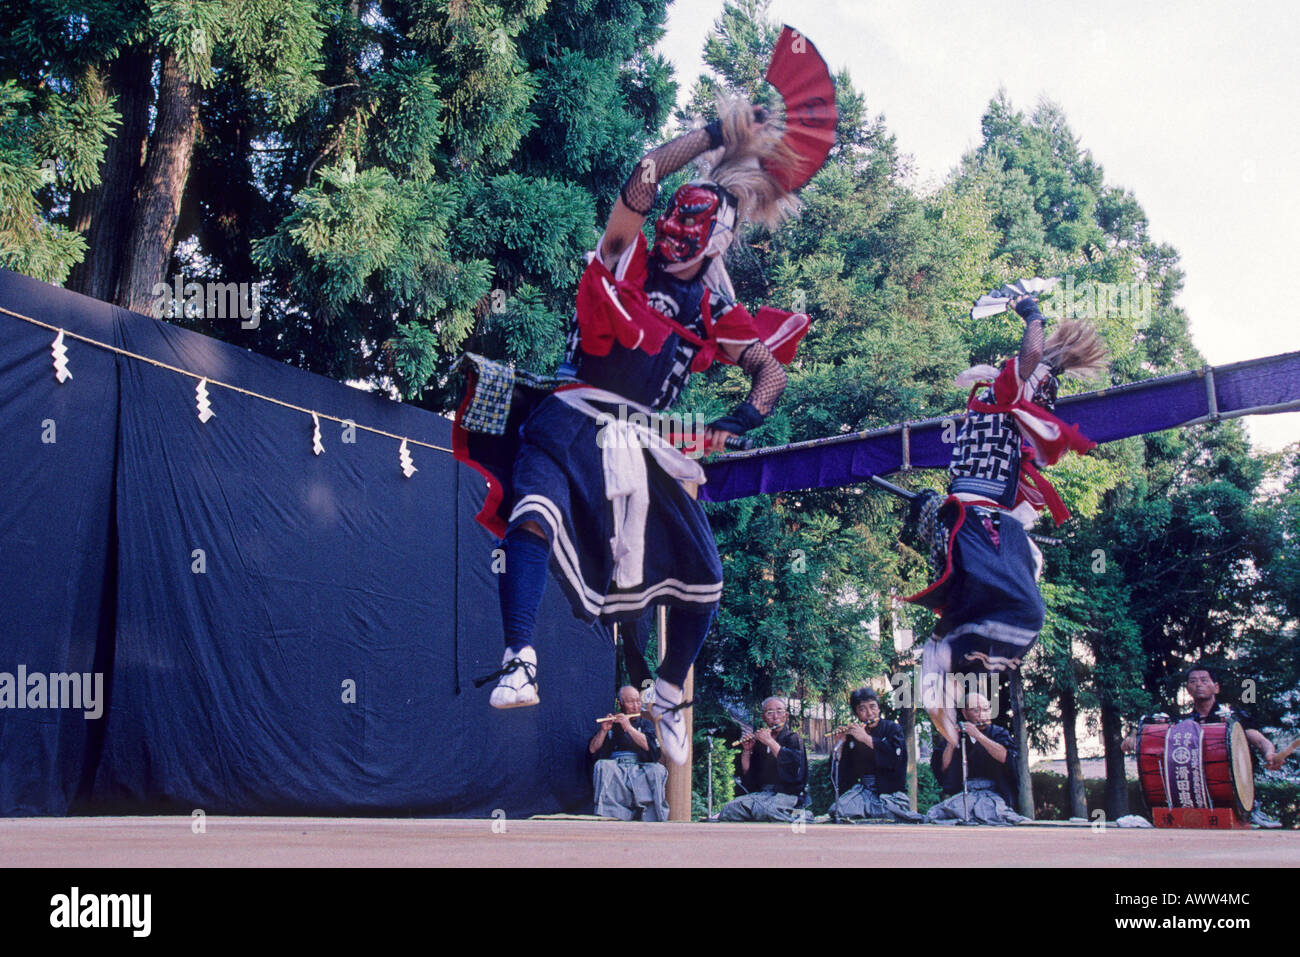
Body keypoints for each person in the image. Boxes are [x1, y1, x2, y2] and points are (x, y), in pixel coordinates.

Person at [455, 98, 812, 765]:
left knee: (706, 579)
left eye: (689, 229)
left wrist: (737, 424)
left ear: (713, 240)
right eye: (671, 221)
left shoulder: (715, 309)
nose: (673, 234)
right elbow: (644, 173)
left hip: (638, 444)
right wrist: (714, 133)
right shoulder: (625, 258)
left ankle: (671, 685)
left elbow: (770, 376)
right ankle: (519, 656)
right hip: (569, 416)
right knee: (531, 516)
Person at [904, 291, 1108, 748]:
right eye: (1044, 389)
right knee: (1025, 607)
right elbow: (1032, 353)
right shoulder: (1002, 395)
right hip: (974, 519)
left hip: (985, 521)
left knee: (1023, 606)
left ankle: (947, 647)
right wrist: (1031, 311)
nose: (1045, 400)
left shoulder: (1006, 423)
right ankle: (944, 648)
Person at [1121, 663, 1285, 827]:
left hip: (1233, 796)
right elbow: (1146, 728)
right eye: (1193, 681)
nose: (1198, 684)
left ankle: (1252, 813)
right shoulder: (1182, 724)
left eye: (1204, 680)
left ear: (1216, 687)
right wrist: (1134, 735)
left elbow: (1260, 741)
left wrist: (1270, 754)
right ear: (1188, 689)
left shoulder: (1232, 719)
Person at [926, 693, 1027, 826]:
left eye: (986, 709)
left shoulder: (999, 733)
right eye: (976, 710)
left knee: (992, 814)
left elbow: (1005, 757)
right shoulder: (958, 734)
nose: (982, 714)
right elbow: (944, 767)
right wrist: (952, 740)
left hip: (993, 793)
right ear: (965, 713)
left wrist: (978, 735)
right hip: (966, 793)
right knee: (935, 814)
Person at [827, 688, 922, 822]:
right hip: (864, 792)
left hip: (889, 793)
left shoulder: (892, 729)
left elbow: (895, 760)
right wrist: (840, 744)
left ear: (878, 708)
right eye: (862, 709)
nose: (869, 713)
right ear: (856, 714)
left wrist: (866, 738)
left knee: (889, 810)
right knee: (838, 809)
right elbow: (843, 773)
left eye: (873, 707)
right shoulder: (853, 736)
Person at [718, 697, 808, 823]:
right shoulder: (760, 743)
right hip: (763, 794)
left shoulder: (793, 738)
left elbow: (794, 769)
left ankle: (803, 816)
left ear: (786, 716)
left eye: (779, 711)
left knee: (769, 811)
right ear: (763, 718)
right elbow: (748, 773)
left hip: (787, 794)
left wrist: (770, 741)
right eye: (770, 713)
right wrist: (747, 750)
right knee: (729, 809)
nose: (775, 717)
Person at [588, 685, 668, 821]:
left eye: (638, 701)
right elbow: (592, 750)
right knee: (602, 766)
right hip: (617, 768)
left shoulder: (646, 724)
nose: (635, 706)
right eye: (631, 702)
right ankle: (609, 816)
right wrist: (604, 731)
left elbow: (651, 747)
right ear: (620, 704)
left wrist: (629, 728)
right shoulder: (612, 724)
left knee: (657, 770)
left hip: (640, 767)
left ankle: (652, 817)